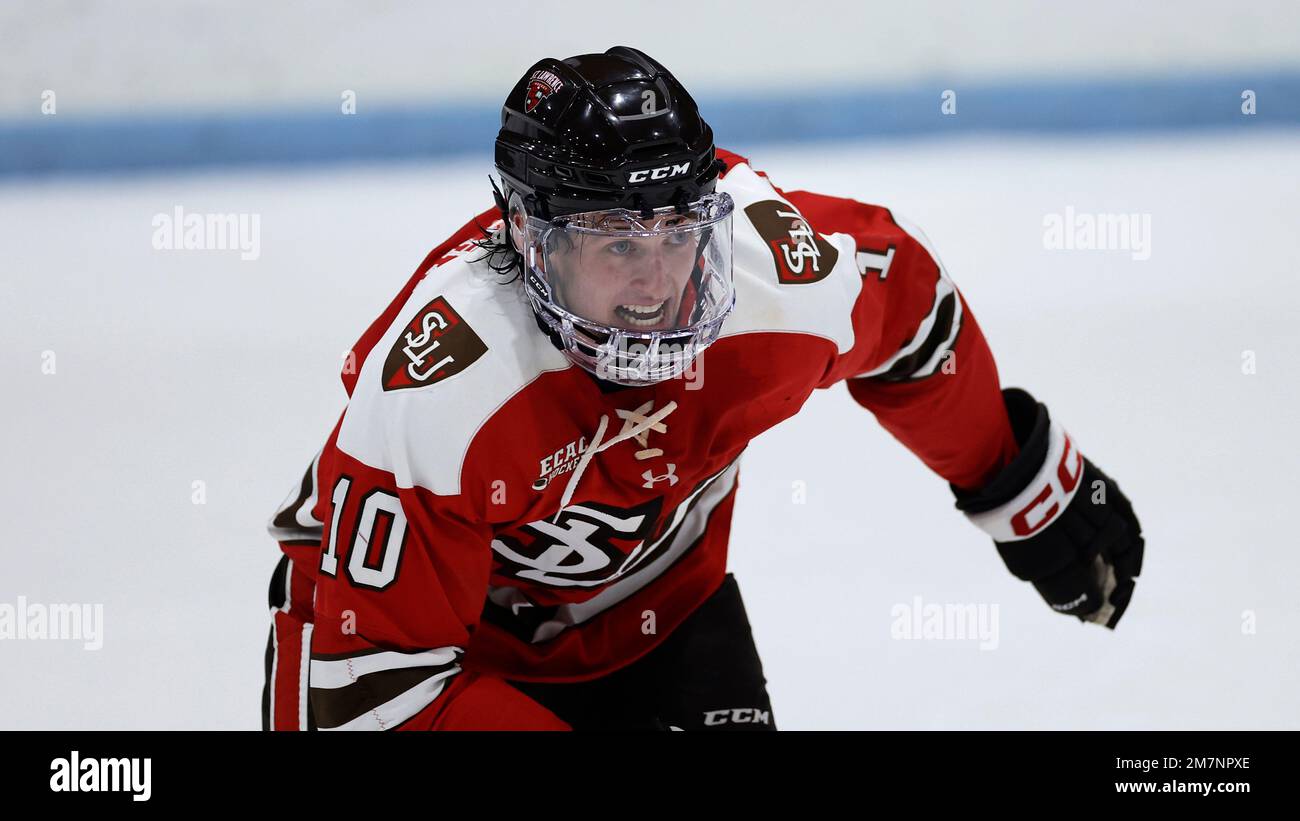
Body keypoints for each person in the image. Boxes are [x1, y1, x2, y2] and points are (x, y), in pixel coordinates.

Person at [261, 46, 1144, 731]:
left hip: (662, 612)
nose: (653, 285)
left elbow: (906, 307)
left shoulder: (771, 284)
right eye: (615, 241)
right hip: (442, 671)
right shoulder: (446, 393)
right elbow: (370, 697)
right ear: (535, 241)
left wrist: (1017, 477)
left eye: (675, 234)